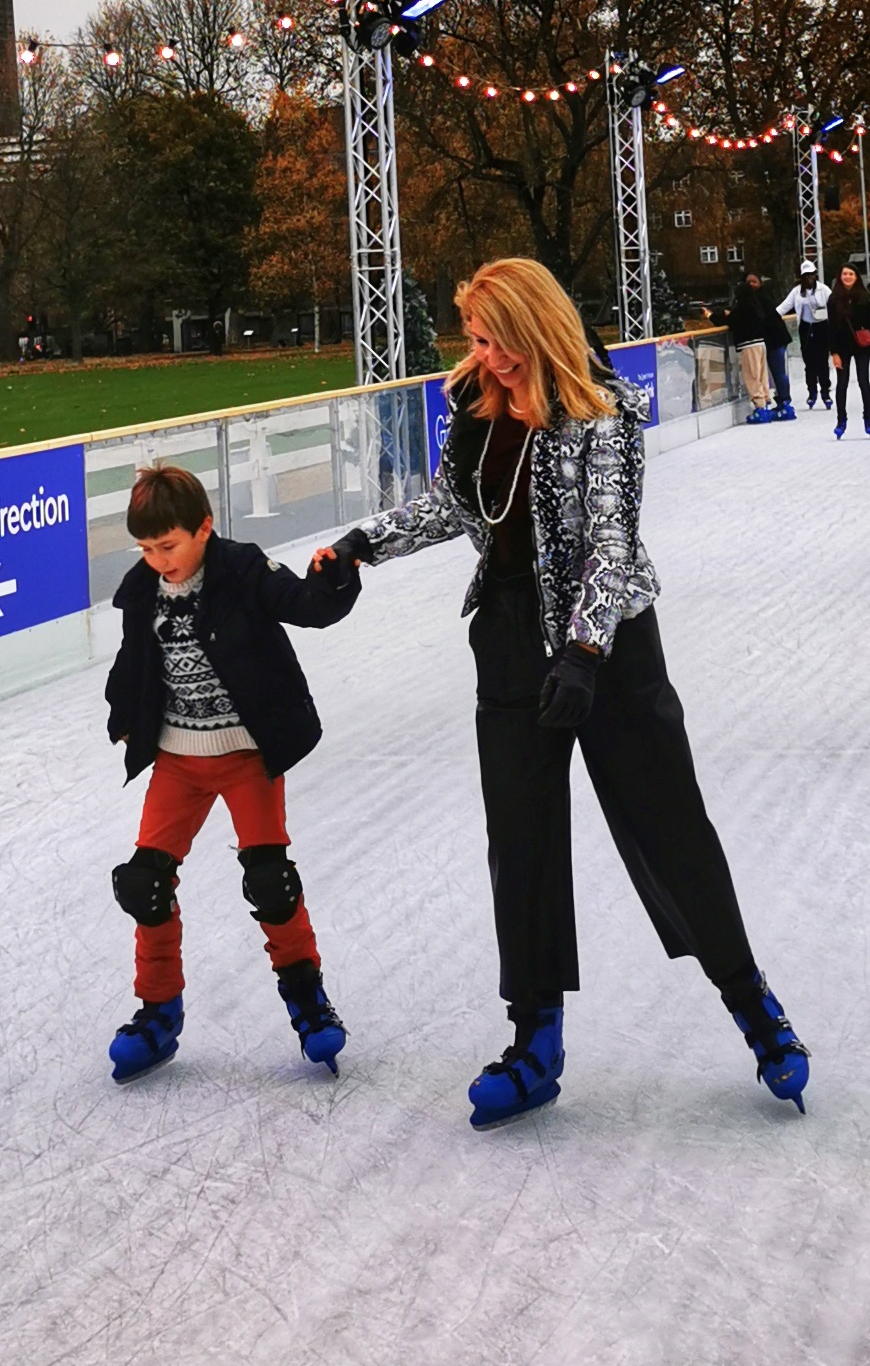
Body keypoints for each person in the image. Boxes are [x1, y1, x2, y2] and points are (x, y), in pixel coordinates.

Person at [319, 256, 807, 1129]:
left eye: (500, 342)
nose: (487, 358)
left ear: (540, 329)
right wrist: (364, 543)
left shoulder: (601, 411)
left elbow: (612, 544)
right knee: (522, 843)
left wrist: (583, 652)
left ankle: (753, 1004)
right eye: (477, 341)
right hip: (509, 643)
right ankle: (535, 1041)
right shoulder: (472, 403)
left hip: (608, 645)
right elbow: (454, 508)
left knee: (670, 829)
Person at [102, 464, 361, 1080]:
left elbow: (306, 607)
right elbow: (133, 659)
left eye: (168, 546)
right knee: (144, 883)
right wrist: (123, 713)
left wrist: (334, 576)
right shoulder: (142, 589)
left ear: (204, 528)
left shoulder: (241, 568)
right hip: (178, 759)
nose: (158, 560)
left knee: (271, 881)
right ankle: (158, 1011)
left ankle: (309, 1002)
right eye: (146, 548)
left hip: (246, 757)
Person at [727, 271, 794, 420]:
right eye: (748, 282)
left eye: (754, 281)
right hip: (767, 342)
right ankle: (780, 402)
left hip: (774, 340)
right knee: (769, 374)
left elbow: (755, 318)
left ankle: (784, 403)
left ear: (760, 283)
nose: (751, 284)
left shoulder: (758, 299)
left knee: (776, 373)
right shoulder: (755, 299)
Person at [825, 264, 870, 438]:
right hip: (842, 346)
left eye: (851, 274)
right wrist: (834, 352)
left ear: (856, 277)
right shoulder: (833, 300)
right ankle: (841, 420)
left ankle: (868, 418)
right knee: (842, 383)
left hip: (861, 345)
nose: (847, 277)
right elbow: (831, 328)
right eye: (844, 274)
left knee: (864, 381)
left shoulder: (865, 298)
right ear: (840, 277)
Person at [778, 261, 834, 409]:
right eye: (806, 275)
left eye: (811, 275)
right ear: (802, 277)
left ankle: (825, 391)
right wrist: (771, 315)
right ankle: (812, 391)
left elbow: (834, 304)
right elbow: (784, 306)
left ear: (815, 275)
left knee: (822, 361)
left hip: (821, 326)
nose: (809, 278)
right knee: (809, 362)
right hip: (806, 328)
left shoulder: (823, 290)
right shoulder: (797, 292)